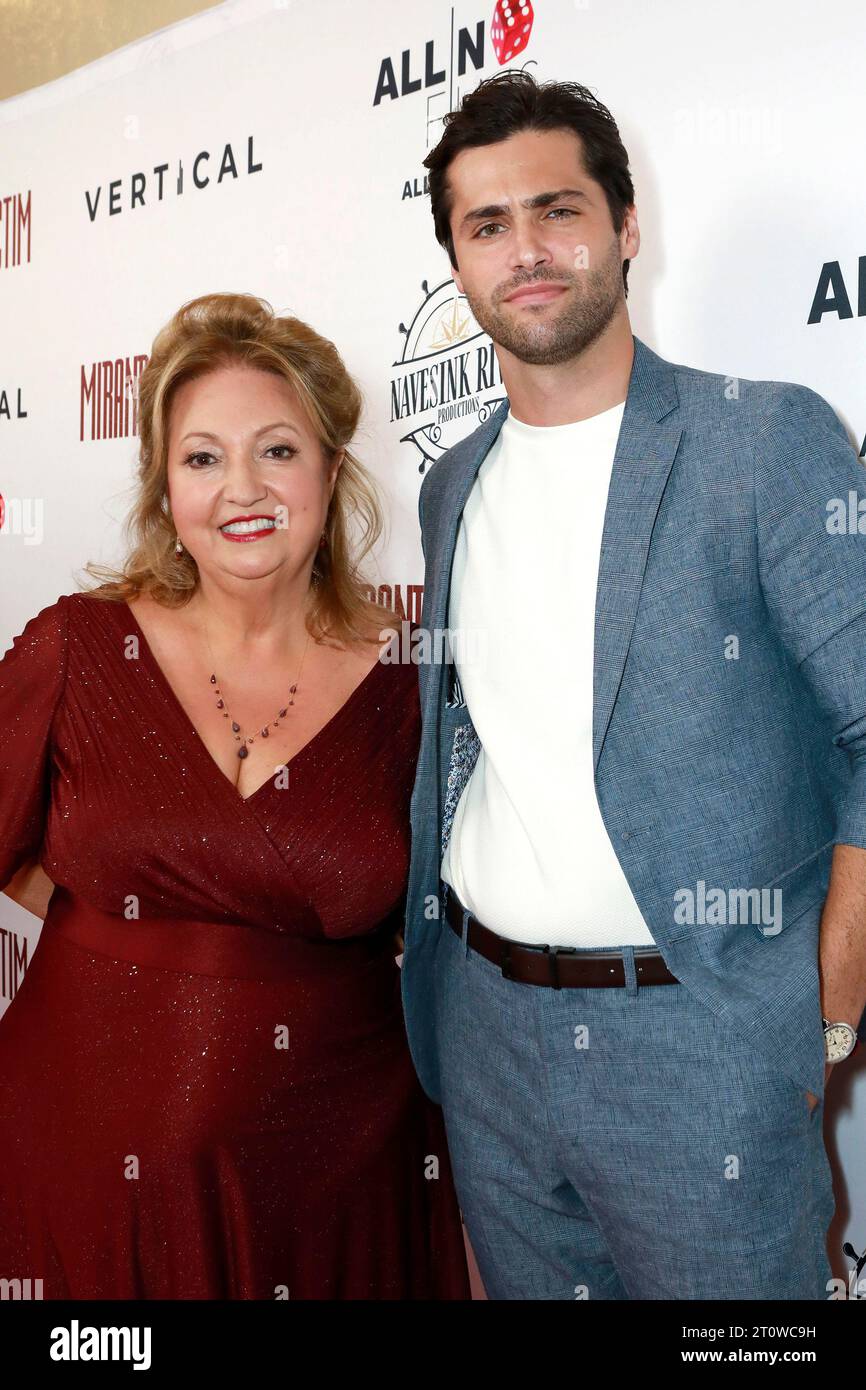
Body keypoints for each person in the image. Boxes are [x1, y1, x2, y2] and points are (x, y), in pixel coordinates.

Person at [399, 70, 866, 1300]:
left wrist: (827, 993)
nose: (527, 251)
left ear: (623, 225)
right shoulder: (451, 486)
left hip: (699, 1040)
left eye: (557, 209)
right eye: (485, 226)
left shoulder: (759, 441)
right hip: (487, 1031)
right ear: (456, 261)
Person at [0, 291, 470, 1301]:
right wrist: (124, 940)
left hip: (327, 1176)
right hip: (75, 1165)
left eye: (277, 450)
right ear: (165, 491)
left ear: (333, 469)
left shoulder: (411, 688)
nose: (240, 488)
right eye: (202, 457)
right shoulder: (79, 646)